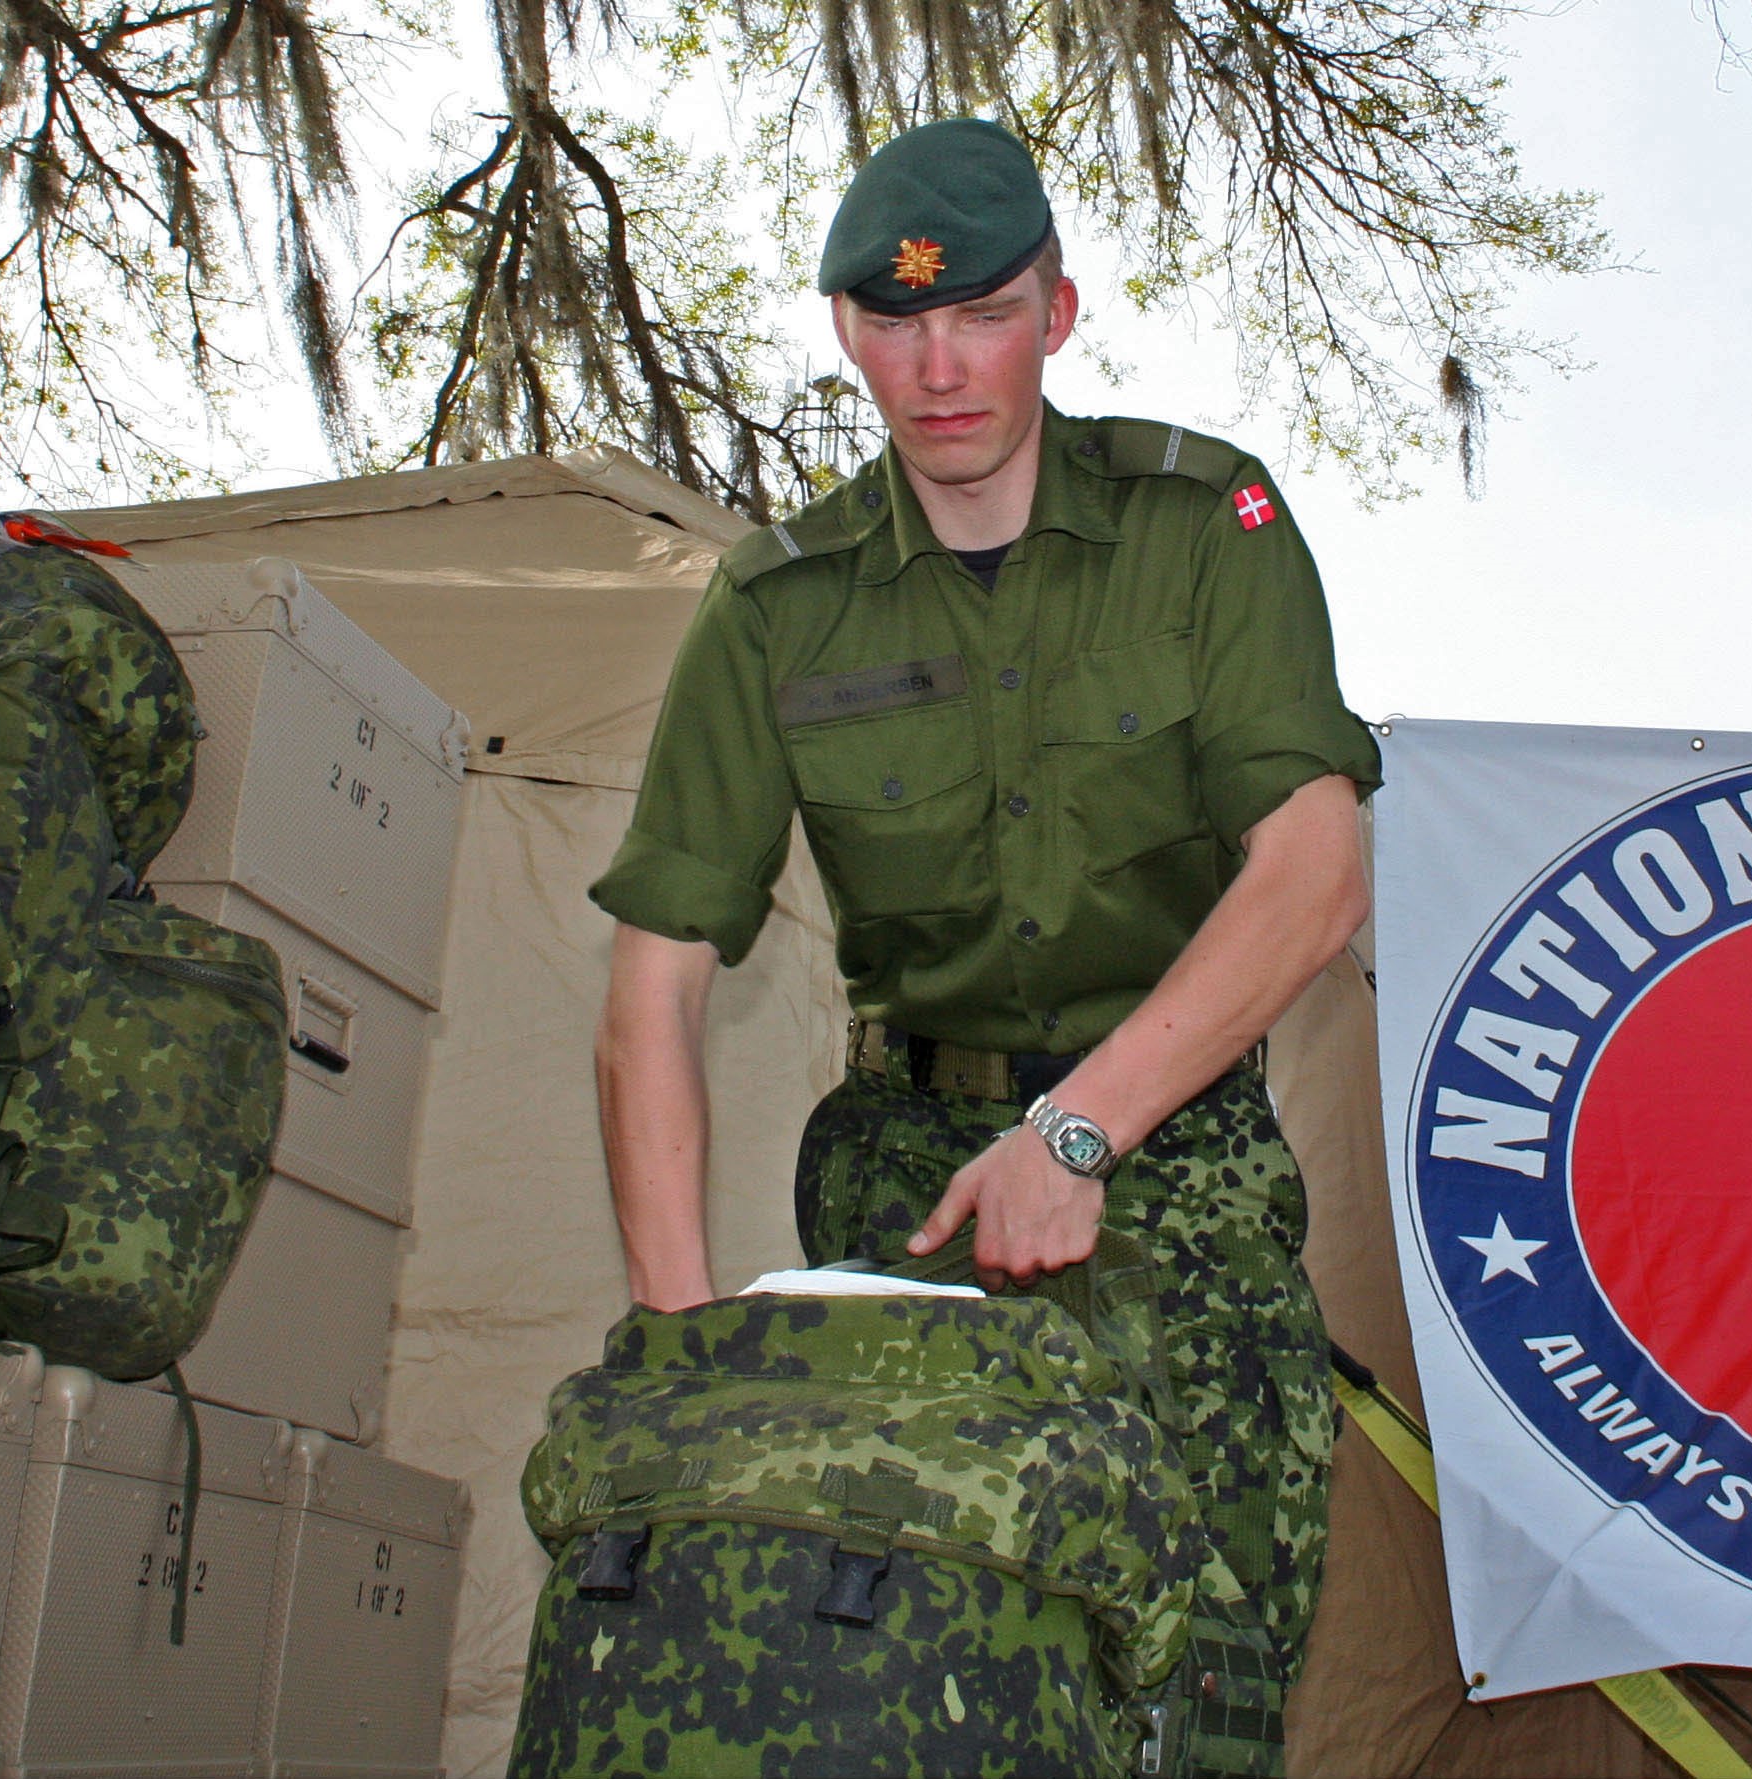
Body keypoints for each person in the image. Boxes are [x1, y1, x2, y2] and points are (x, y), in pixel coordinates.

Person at [584, 115, 1380, 1671]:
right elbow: (652, 989)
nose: (940, 367)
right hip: (909, 1179)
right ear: (848, 336)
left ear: (1057, 317)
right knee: (899, 1652)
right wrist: (680, 1344)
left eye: (983, 317)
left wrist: (1076, 1129)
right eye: (896, 322)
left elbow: (1314, 869)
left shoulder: (1206, 527)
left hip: (1176, 1143)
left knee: (1203, 1655)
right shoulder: (774, 609)